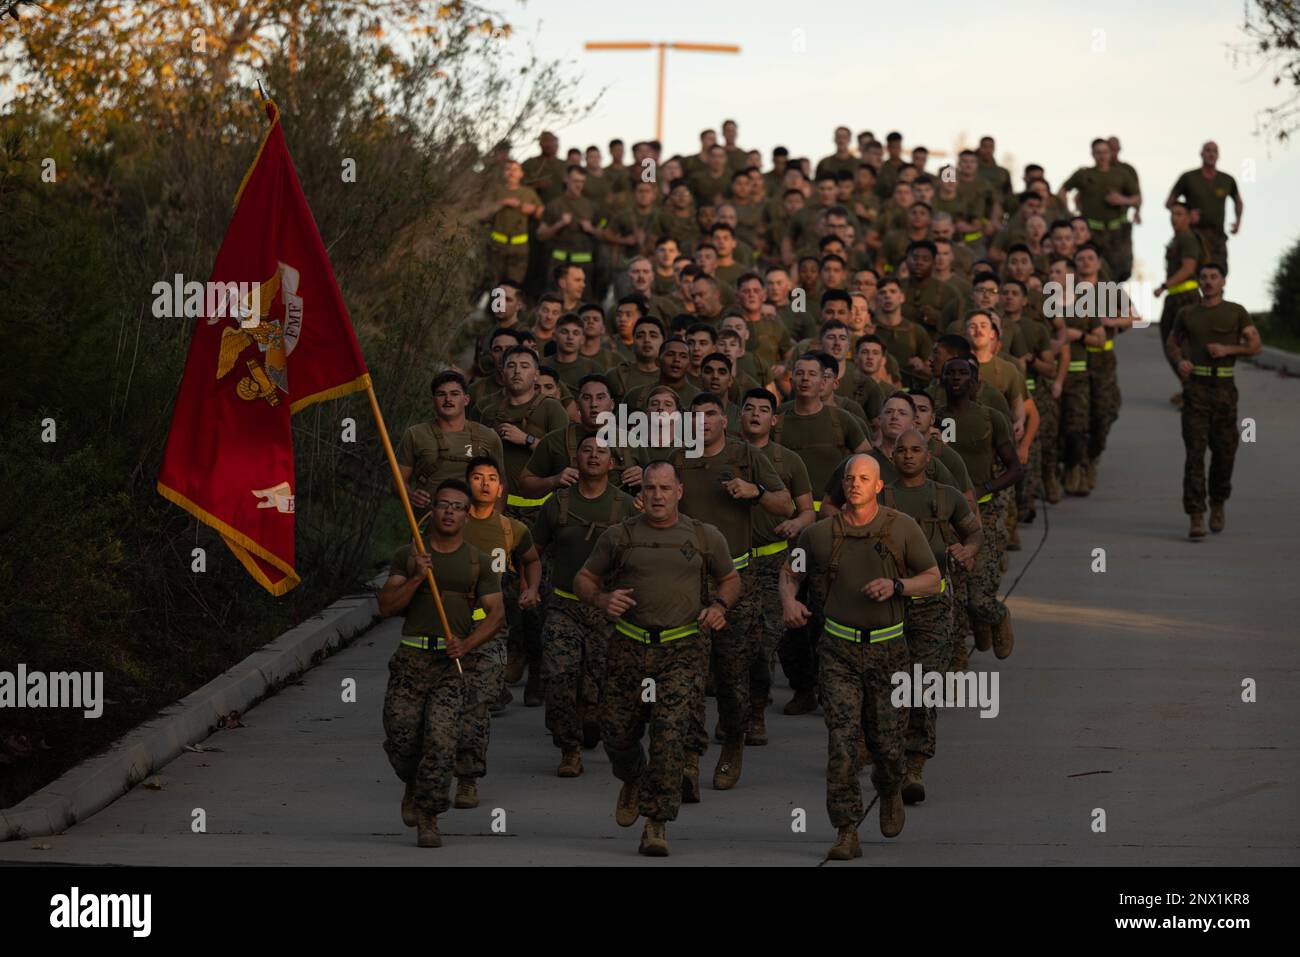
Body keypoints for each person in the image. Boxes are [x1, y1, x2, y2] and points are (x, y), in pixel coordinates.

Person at [573, 460, 740, 857]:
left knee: (670, 734)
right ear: (640, 493)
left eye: (665, 488)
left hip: (682, 649)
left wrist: (719, 606)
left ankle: (656, 823)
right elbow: (584, 578)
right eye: (650, 488)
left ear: (679, 491)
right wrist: (600, 599)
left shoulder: (704, 536)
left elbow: (730, 579)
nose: (658, 496)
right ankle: (632, 778)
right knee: (615, 732)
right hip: (629, 646)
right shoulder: (620, 536)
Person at [780, 454, 942, 860]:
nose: (854, 484)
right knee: (842, 741)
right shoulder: (819, 534)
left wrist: (898, 586)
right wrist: (788, 602)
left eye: (864, 478)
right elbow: (790, 573)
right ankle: (846, 828)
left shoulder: (900, 528)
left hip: (888, 650)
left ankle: (889, 789)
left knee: (887, 745)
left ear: (878, 486)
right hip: (837, 650)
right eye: (850, 477)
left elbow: (933, 579)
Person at [672, 393, 792, 791]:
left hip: (735, 581)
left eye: (709, 415)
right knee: (687, 678)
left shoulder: (746, 457)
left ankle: (733, 746)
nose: (702, 422)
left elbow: (785, 505)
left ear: (725, 420)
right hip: (685, 583)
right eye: (695, 416)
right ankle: (689, 760)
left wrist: (754, 491)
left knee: (731, 676)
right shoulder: (676, 460)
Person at [378, 479, 506, 848]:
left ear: (467, 516)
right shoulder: (409, 554)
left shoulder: (477, 562)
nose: (450, 512)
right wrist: (418, 577)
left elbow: (495, 615)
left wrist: (467, 643)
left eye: (458, 507)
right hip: (410, 660)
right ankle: (413, 784)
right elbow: (387, 606)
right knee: (401, 737)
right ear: (431, 510)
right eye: (443, 505)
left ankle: (429, 816)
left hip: (451, 667)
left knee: (440, 739)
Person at [530, 433, 638, 775]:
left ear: (613, 463)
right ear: (575, 459)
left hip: (609, 610)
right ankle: (569, 748)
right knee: (559, 676)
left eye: (601, 452)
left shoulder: (626, 506)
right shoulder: (557, 503)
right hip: (563, 607)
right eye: (586, 450)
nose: (593, 456)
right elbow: (533, 552)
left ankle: (592, 714)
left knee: (607, 681)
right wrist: (530, 586)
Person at [884, 428, 982, 803]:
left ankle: (914, 765)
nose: (908, 456)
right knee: (884, 684)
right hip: (885, 604)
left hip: (932, 604)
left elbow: (974, 533)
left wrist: (967, 550)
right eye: (901, 450)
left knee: (923, 683)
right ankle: (879, 749)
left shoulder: (946, 496)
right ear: (892, 456)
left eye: (916, 450)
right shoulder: (880, 496)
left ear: (929, 457)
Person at [737, 388, 818, 746]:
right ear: (738, 416)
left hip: (772, 561)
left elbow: (806, 510)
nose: (755, 414)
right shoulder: (724, 455)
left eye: (763, 410)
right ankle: (733, 712)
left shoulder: (788, 461)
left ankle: (755, 713)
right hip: (729, 562)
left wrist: (796, 525)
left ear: (774, 419)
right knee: (727, 644)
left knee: (763, 642)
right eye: (748, 408)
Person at [458, 456, 540, 796]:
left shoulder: (512, 529)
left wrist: (531, 588)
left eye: (492, 478)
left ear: (501, 487)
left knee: (478, 705)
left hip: (492, 628)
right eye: (477, 477)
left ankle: (467, 778)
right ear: (467, 484)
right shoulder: (448, 522)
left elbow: (532, 561)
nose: (485, 483)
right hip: (447, 626)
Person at [1165, 263, 1260, 538]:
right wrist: (1180, 360)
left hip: (1224, 389)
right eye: (1204, 278)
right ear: (1198, 282)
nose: (1208, 282)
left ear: (1223, 281)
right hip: (1196, 389)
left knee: (1225, 452)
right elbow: (1172, 343)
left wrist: (1228, 349)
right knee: (1194, 453)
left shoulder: (1236, 312)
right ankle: (1196, 515)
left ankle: (1218, 502)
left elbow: (1256, 346)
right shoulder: (1187, 313)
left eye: (1213, 277)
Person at [939, 357, 1022, 659]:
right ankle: (957, 658)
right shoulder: (935, 420)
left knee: (978, 596)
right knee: (953, 596)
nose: (957, 378)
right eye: (951, 373)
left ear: (975, 381)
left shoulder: (991, 418)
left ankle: (995, 615)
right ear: (943, 380)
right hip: (945, 518)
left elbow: (1015, 469)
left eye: (963, 373)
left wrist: (983, 489)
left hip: (982, 515)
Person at [397, 370, 506, 513]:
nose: (448, 399)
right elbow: (398, 482)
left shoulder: (488, 436)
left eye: (454, 394)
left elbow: (501, 485)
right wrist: (410, 495)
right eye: (441, 394)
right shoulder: (415, 434)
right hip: (427, 522)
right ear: (433, 400)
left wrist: (494, 522)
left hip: (474, 524)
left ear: (466, 399)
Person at [1059, 138, 1139, 282]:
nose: (1102, 156)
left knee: (1120, 272)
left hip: (1117, 232)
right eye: (1098, 152)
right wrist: (1069, 213)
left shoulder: (1121, 174)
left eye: (1105, 152)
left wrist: (1122, 200)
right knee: (1090, 266)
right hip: (1092, 231)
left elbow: (1137, 198)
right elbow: (1063, 190)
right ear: (1093, 154)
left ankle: (1113, 301)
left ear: (1110, 153)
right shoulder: (1083, 174)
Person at [1166, 141, 1242, 273]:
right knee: (1194, 273)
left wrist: (1237, 222)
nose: (1211, 154)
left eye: (1214, 151)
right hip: (1194, 235)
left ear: (1218, 155)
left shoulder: (1227, 180)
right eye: (1208, 150)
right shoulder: (1188, 177)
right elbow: (1169, 203)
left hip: (1217, 237)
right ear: (1201, 153)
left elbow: (1238, 201)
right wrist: (1187, 214)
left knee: (1218, 274)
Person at [1155, 202, 1206, 394]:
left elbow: (1188, 268)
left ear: (1188, 217)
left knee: (1181, 346)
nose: (1174, 217)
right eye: (1172, 214)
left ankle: (1192, 390)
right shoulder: (1177, 239)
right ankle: (1188, 388)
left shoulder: (1187, 238)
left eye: (1179, 214)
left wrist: (1164, 286)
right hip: (1175, 297)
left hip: (1186, 297)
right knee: (1171, 344)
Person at [483, 159, 542, 286]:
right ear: (503, 173)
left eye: (515, 170)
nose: (511, 173)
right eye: (507, 169)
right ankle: (494, 306)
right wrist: (502, 203)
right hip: (497, 247)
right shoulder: (496, 191)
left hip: (519, 249)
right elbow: (483, 213)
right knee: (494, 284)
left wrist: (531, 209)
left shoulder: (528, 192)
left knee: (514, 286)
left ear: (521, 174)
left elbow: (541, 213)